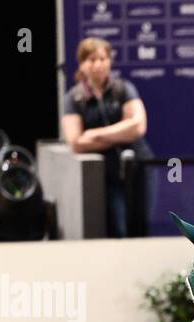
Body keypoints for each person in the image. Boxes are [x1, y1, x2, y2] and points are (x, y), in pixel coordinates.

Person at [61, 37, 151, 238]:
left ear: (110, 61)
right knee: (117, 229)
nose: (98, 64)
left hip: (139, 168)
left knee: (143, 226)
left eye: (103, 58)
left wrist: (96, 133)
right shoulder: (74, 98)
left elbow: (138, 126)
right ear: (82, 64)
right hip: (107, 176)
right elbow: (76, 142)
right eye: (91, 59)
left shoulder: (123, 88)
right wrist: (121, 133)